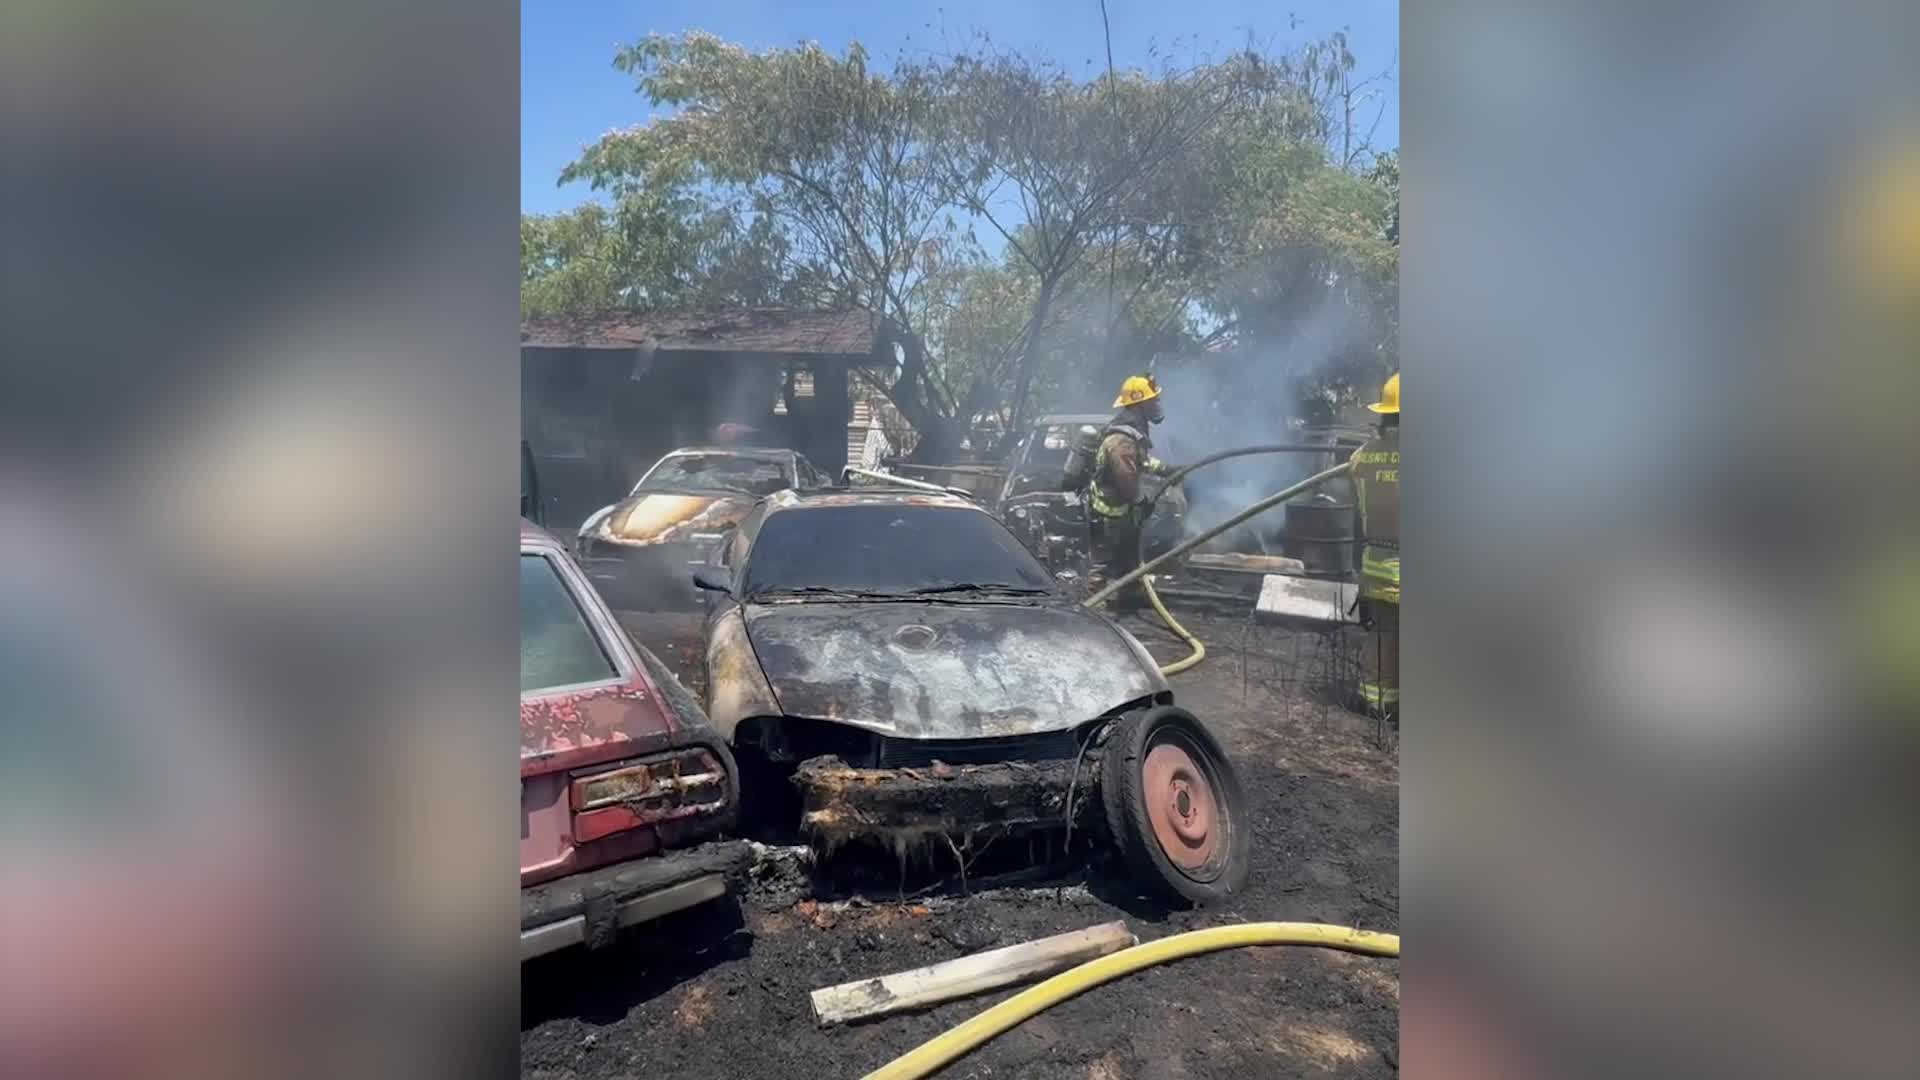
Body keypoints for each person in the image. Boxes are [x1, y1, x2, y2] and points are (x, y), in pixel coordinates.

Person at [1087, 374, 1173, 610]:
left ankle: (1131, 595)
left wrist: (1166, 469)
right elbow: (1125, 477)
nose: (1156, 405)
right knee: (1103, 563)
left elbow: (1141, 463)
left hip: (1122, 510)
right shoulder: (1121, 439)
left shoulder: (1134, 432)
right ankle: (1095, 607)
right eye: (1152, 401)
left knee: (1129, 556)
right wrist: (1140, 499)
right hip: (1109, 510)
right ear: (1139, 404)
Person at [1351, 372, 1401, 720]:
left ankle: (1377, 703)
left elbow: (1358, 511)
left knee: (1384, 635)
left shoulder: (1360, 457)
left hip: (1375, 563)